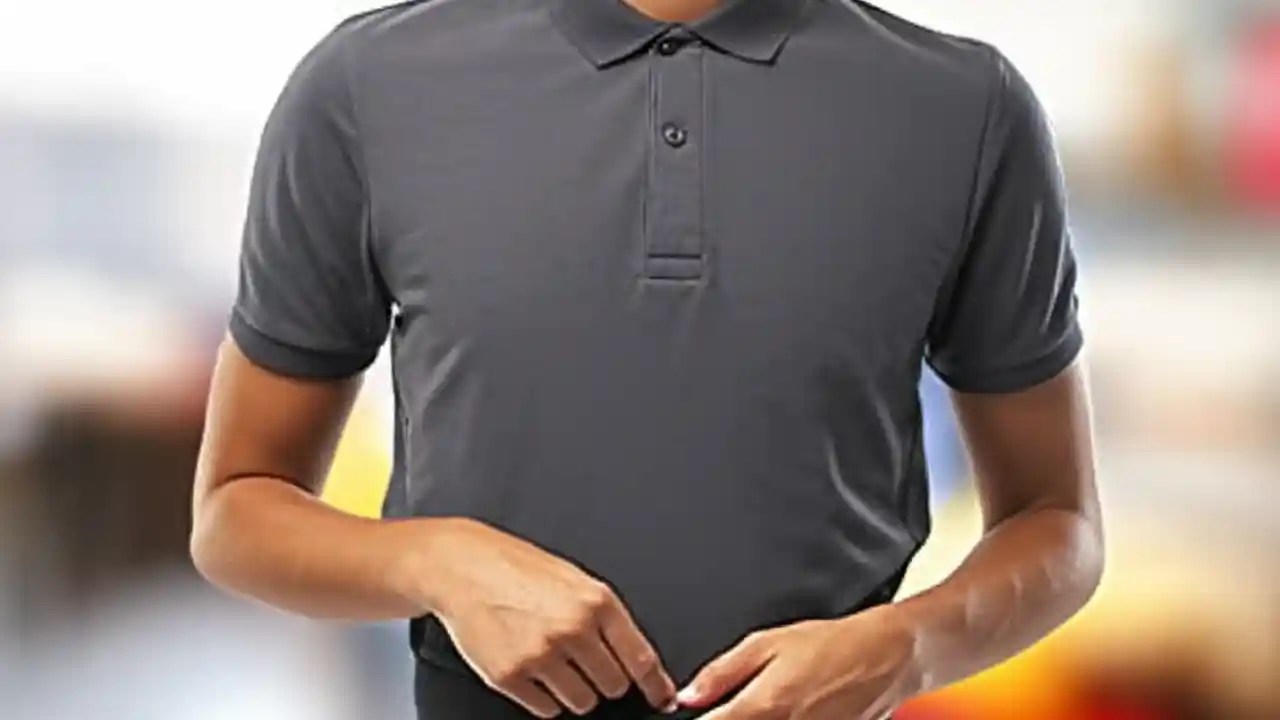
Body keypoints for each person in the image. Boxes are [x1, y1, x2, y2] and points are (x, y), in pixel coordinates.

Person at [190, 0, 1105, 718]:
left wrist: (906, 647)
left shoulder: (963, 108)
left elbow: (1057, 520)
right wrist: (439, 562)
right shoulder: (367, 86)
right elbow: (237, 511)